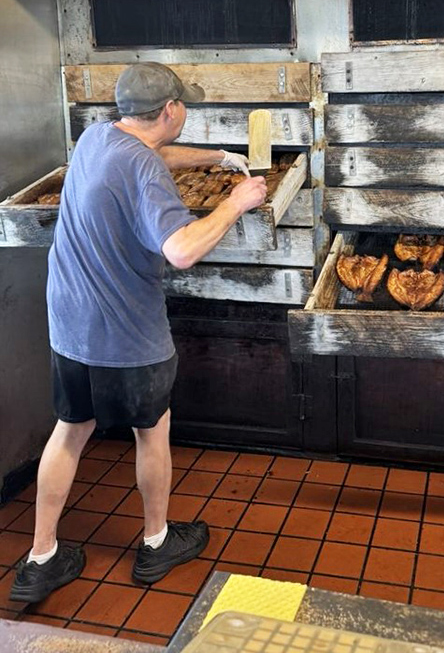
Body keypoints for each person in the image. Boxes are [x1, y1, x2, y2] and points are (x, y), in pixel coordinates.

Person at [10, 62, 267, 603]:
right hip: (126, 329)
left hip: (70, 321)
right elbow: (182, 249)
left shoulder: (97, 138)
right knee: (151, 430)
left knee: (70, 428)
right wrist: (235, 201)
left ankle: (41, 558)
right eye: (183, 104)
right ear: (171, 110)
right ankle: (156, 543)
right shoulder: (144, 172)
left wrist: (219, 157)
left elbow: (150, 155)